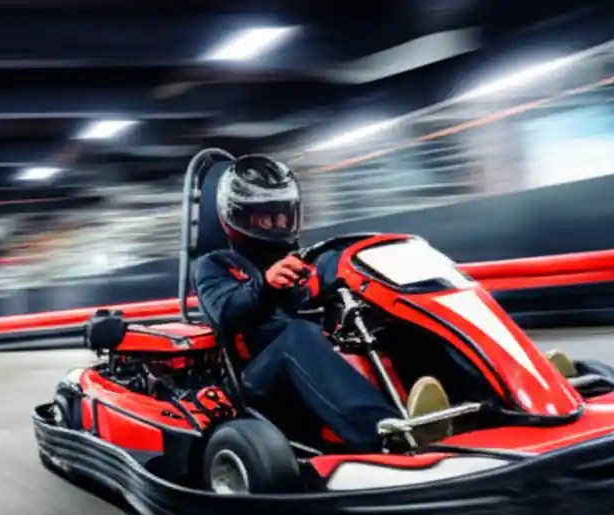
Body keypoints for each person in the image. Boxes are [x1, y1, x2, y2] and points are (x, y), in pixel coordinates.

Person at [193, 154, 452, 452]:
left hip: (310, 363)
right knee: (298, 336)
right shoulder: (215, 265)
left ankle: (465, 404)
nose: (278, 224)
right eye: (266, 217)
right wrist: (265, 285)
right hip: (258, 381)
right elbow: (225, 311)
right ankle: (385, 431)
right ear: (236, 217)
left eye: (283, 215)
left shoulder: (305, 259)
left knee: (392, 321)